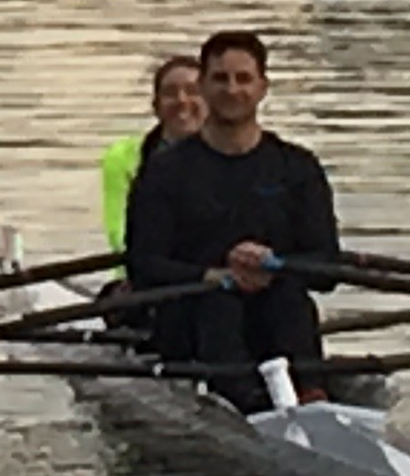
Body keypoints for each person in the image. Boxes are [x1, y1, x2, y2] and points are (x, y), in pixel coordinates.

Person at [122, 30, 339, 411]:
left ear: (262, 88)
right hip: (196, 320)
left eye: (243, 79)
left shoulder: (298, 167)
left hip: (278, 317)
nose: (232, 89)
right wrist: (212, 275)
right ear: (204, 87)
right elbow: (143, 266)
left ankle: (309, 393)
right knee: (219, 302)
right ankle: (242, 402)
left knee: (288, 296)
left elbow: (327, 269)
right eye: (220, 79)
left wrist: (273, 265)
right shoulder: (164, 172)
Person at [97, 55, 204, 250]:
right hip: (140, 274)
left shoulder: (237, 154)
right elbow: (119, 234)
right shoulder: (123, 156)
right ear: (156, 106)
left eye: (193, 91)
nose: (182, 100)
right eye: (170, 93)